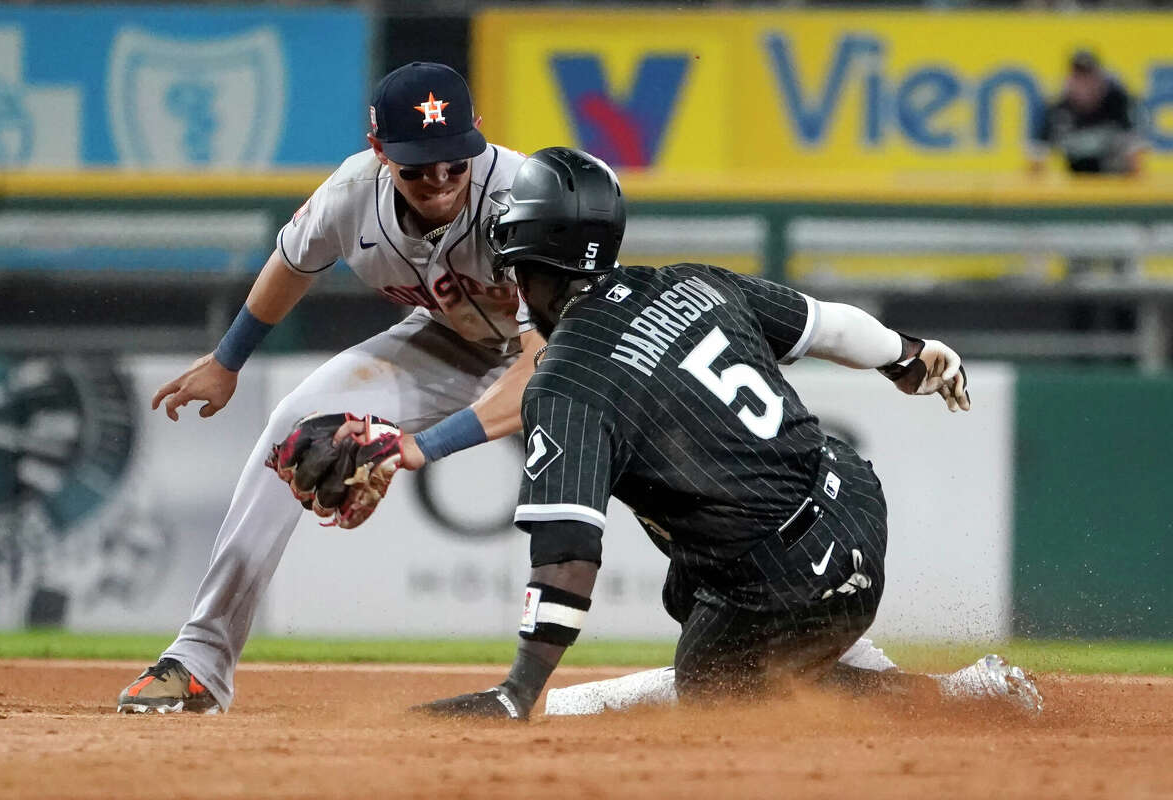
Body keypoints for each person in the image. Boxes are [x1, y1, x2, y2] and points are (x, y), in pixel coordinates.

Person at [411, 147, 1042, 721]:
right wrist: (909, 354)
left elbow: (569, 556)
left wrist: (520, 691)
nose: (514, 287)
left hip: (787, 579)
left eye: (518, 269)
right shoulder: (692, 279)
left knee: (718, 694)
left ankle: (955, 695)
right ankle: (840, 651)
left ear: (538, 267)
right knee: (692, 582)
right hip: (851, 504)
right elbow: (828, 326)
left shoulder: (567, 379)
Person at [116, 62, 543, 713]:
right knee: (296, 420)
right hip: (448, 345)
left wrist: (419, 447)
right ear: (379, 152)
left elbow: (541, 368)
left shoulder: (524, 194)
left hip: (574, 356)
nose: (439, 180)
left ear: (478, 135)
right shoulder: (352, 193)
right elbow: (291, 262)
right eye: (418, 166)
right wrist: (228, 360)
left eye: (455, 162)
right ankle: (197, 661)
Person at [1029, 49, 1144, 175]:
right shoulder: (1057, 108)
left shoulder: (1117, 102)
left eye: (1089, 78)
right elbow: (1037, 156)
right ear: (1070, 80)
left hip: (1115, 181)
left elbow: (1136, 159)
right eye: (1079, 78)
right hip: (1077, 185)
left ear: (1099, 79)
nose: (1084, 85)